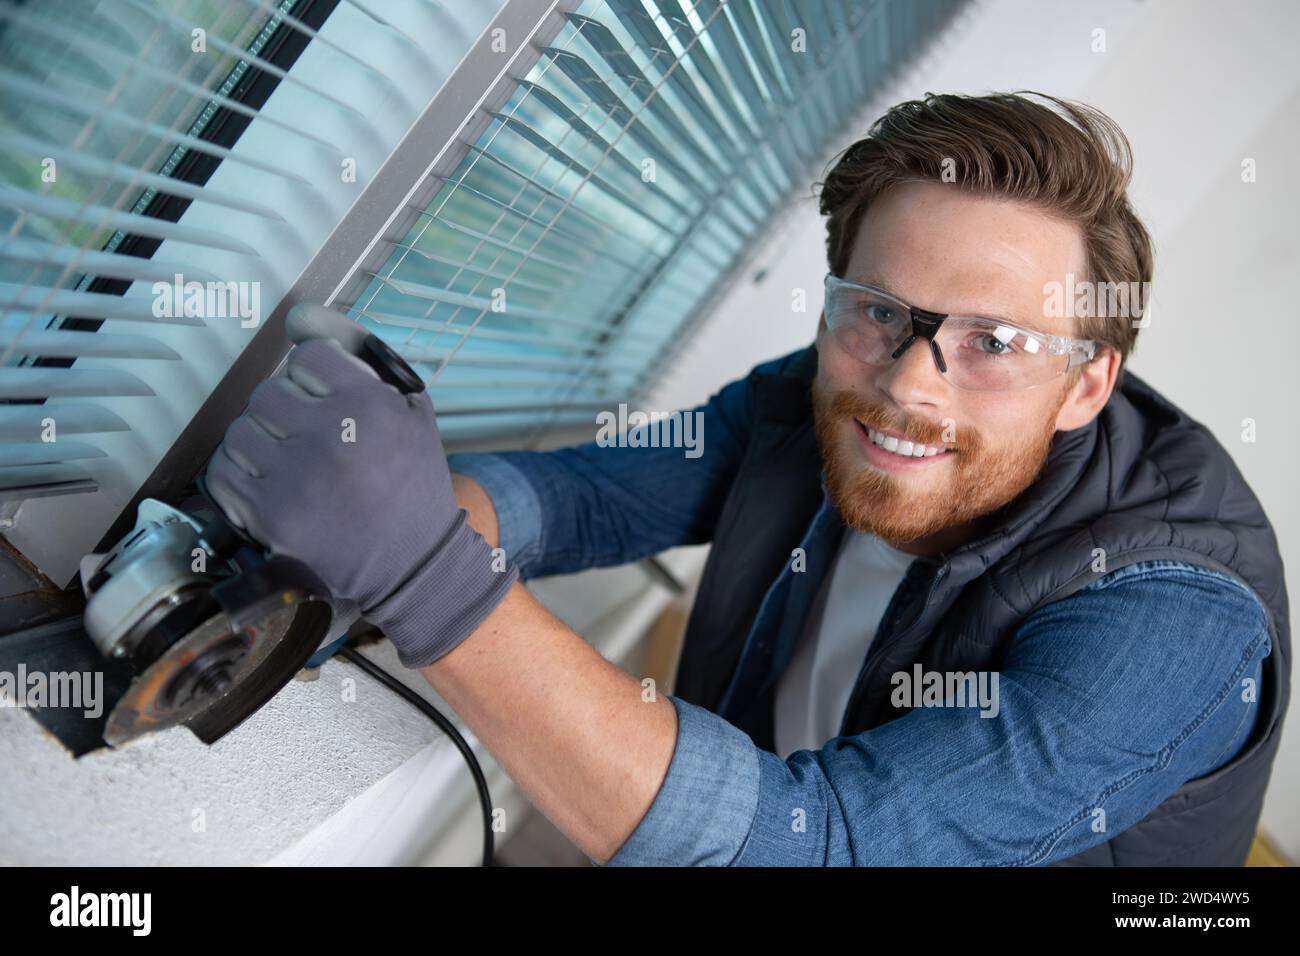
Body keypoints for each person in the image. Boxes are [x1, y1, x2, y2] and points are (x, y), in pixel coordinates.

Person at [208, 92, 1289, 866]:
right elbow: (577, 499)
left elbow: (815, 844)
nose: (910, 382)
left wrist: (423, 570)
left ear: (1088, 384)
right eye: (879, 311)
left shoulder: (1173, 621)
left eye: (993, 340)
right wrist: (355, 521)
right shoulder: (808, 392)